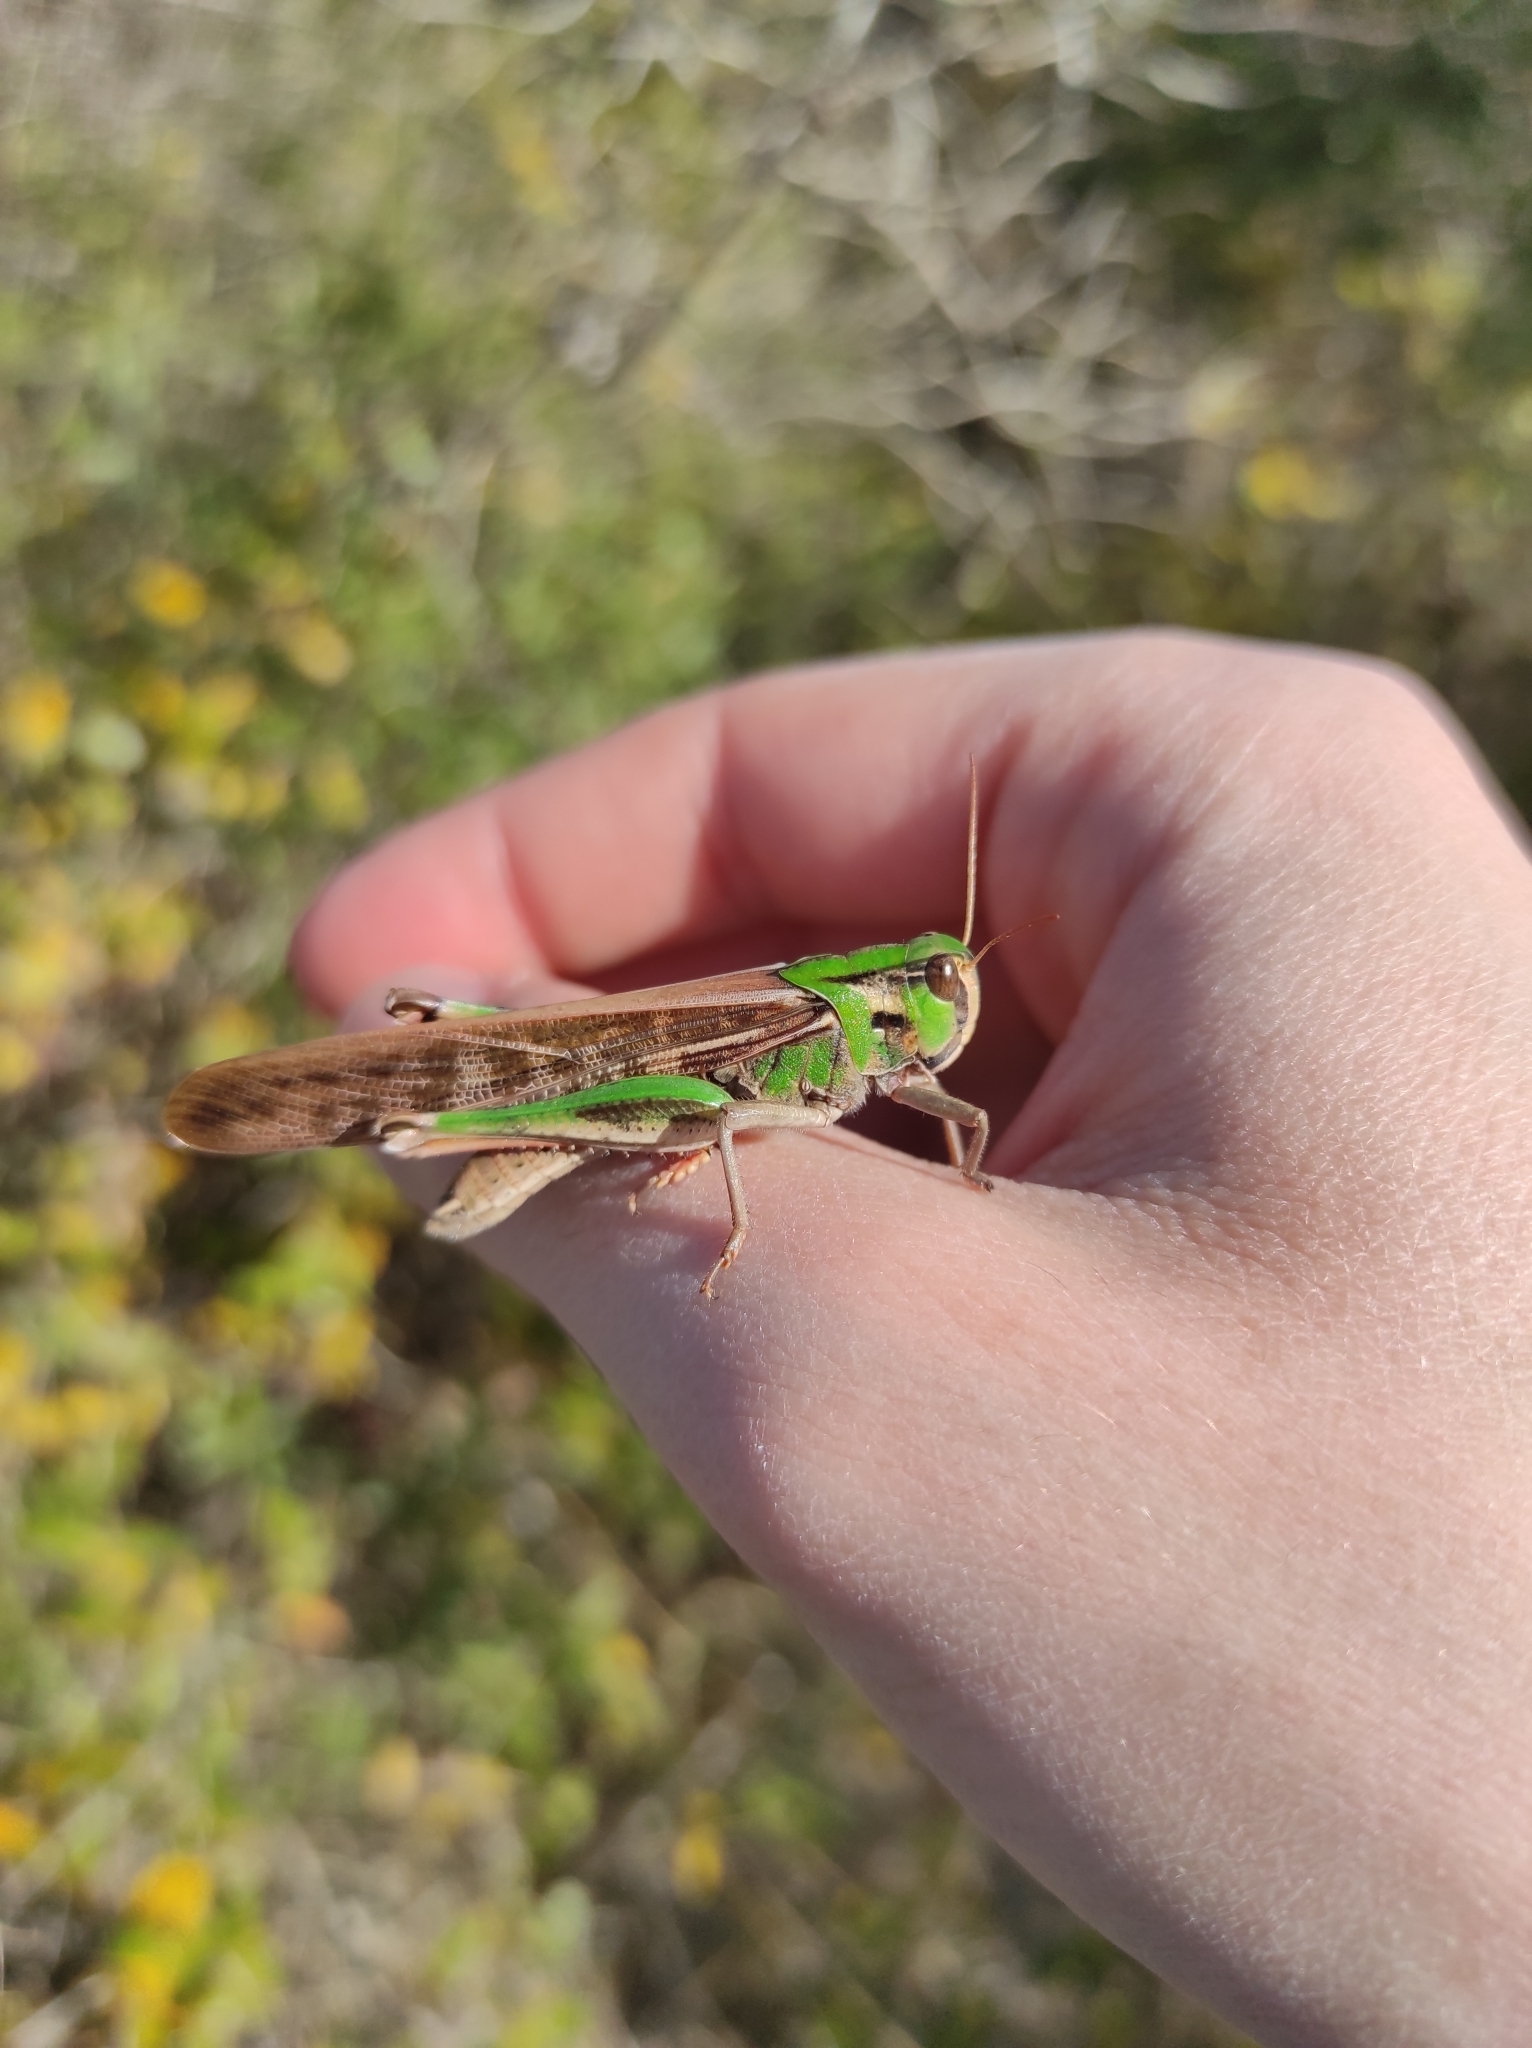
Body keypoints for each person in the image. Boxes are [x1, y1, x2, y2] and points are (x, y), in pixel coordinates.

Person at [291, 631, 1532, 2046]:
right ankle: (408, 1095)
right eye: (928, 997)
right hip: (613, 1077)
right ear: (880, 998)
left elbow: (971, 1127)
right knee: (530, 1086)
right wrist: (735, 1215)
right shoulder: (799, 1026)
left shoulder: (910, 1062)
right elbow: (733, 1108)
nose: (945, 1024)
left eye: (953, 997)